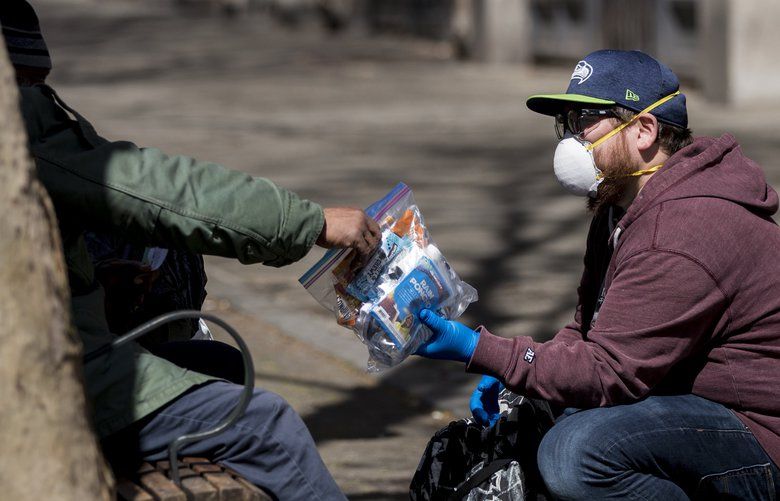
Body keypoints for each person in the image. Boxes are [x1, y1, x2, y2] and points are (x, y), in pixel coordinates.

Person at [2, 2, 381, 499]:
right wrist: (312, 222)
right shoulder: (16, 117)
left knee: (218, 364)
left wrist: (88, 285)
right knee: (269, 427)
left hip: (57, 346)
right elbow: (158, 191)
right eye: (33, 84)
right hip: (34, 384)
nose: (43, 97)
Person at [414, 49, 780, 499]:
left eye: (585, 120)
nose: (570, 139)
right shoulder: (619, 208)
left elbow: (609, 372)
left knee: (576, 452)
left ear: (644, 130)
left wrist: (481, 349)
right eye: (565, 122)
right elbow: (589, 330)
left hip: (758, 437)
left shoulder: (681, 231)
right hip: (688, 402)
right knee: (551, 415)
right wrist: (522, 372)